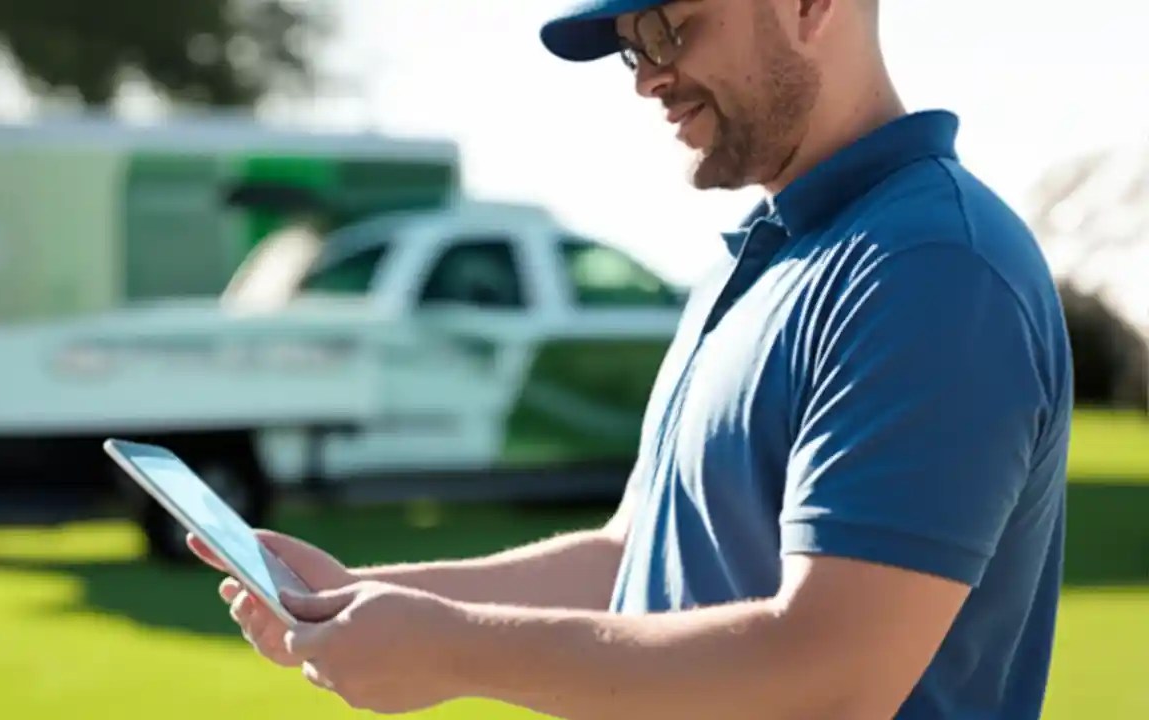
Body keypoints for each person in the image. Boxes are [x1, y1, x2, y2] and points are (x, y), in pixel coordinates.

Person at [189, 1, 1074, 717]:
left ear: (812, 5)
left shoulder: (932, 268)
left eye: (668, 28)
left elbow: (831, 679)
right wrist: (362, 596)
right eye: (631, 47)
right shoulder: (758, 260)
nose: (648, 76)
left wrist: (452, 650)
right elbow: (634, 557)